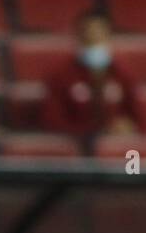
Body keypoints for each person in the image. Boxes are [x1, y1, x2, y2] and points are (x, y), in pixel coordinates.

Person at [42, 10, 140, 144]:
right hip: (76, 149)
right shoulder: (60, 76)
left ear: (109, 37)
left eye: (99, 37)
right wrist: (94, 132)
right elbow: (52, 122)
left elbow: (139, 119)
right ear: (78, 38)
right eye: (89, 38)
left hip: (116, 149)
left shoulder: (122, 75)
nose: (94, 43)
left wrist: (128, 127)